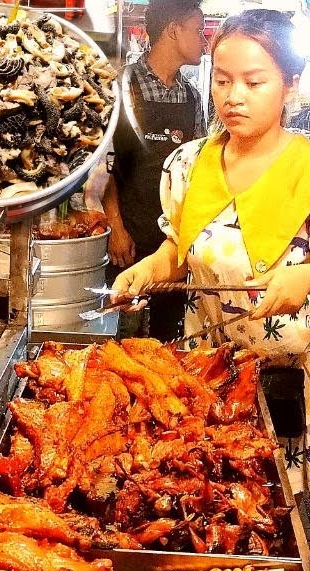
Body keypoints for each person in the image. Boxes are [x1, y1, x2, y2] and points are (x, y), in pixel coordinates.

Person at [111, 9, 310, 501]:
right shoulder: (187, 164)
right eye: (221, 80)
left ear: (291, 85)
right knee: (210, 494)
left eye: (253, 82)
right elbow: (179, 248)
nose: (233, 96)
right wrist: (146, 271)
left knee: (278, 507)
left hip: (291, 379)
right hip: (208, 371)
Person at [103, 0, 208, 341]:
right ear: (174, 30)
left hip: (173, 243)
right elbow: (105, 167)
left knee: (169, 337)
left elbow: (198, 170)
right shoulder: (122, 87)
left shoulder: (191, 97)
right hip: (127, 237)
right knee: (122, 329)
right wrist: (116, 227)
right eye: (199, 30)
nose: (204, 40)